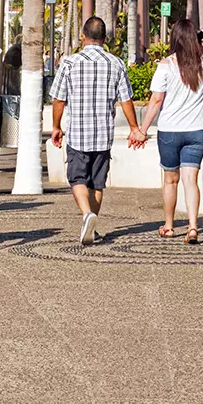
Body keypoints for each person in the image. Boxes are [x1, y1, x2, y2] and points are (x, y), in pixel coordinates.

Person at [49, 16, 140, 245]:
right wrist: (134, 127)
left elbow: (59, 99)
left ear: (83, 36)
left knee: (77, 178)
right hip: (103, 134)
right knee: (97, 183)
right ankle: (93, 225)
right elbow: (126, 99)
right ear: (104, 39)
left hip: (78, 133)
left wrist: (56, 126)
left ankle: (86, 214)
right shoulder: (116, 63)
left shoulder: (70, 63)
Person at [132, 17, 203, 243]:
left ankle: (169, 226)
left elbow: (156, 101)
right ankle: (192, 227)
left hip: (170, 131)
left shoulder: (166, 65)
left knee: (171, 180)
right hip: (197, 131)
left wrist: (142, 130)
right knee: (191, 180)